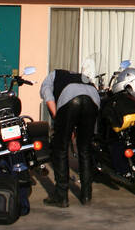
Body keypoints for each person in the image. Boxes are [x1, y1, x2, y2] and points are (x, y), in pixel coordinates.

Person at [39, 68, 101, 207]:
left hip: (70, 98)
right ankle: (86, 195)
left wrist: (57, 118)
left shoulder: (53, 75)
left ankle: (61, 196)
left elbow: (47, 94)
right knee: (85, 148)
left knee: (60, 148)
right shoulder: (82, 76)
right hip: (93, 100)